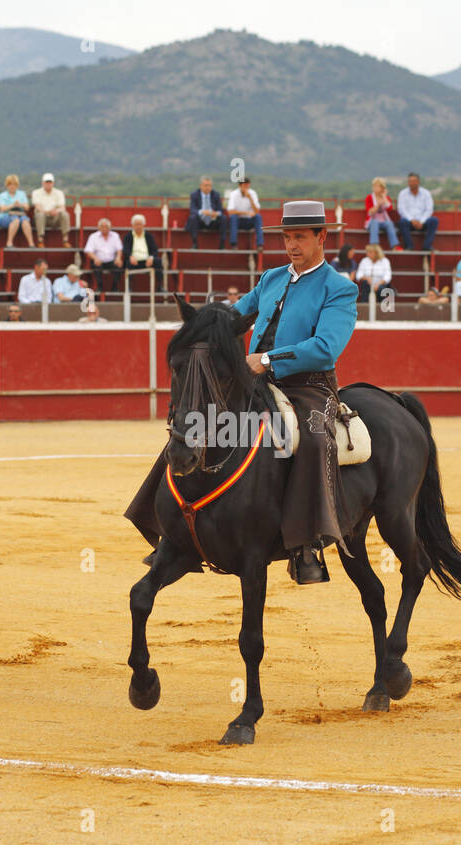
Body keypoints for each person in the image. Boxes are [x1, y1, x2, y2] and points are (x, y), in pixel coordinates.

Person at [125, 200, 354, 585]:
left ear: (322, 237)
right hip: (257, 379)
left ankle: (306, 544)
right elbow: (232, 317)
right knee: (194, 421)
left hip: (309, 386)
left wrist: (266, 360)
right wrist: (202, 322)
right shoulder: (271, 278)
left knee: (311, 439)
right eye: (286, 236)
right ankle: (165, 525)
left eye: (300, 236)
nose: (292, 244)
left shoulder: (340, 288)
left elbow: (325, 346)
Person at [396, 172, 438, 251]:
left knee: (434, 221)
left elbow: (429, 209)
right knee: (402, 222)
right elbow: (401, 209)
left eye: (413, 181)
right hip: (409, 222)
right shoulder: (402, 193)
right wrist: (412, 220)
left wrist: (421, 221)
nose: (411, 183)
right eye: (410, 181)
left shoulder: (426, 193)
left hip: (423, 222)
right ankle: (409, 246)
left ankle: (427, 246)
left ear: (418, 182)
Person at [83, 217, 123, 294]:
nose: (104, 228)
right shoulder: (93, 236)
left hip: (112, 260)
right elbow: (88, 250)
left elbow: (119, 249)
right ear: (99, 227)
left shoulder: (115, 235)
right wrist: (95, 258)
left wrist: (118, 258)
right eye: (102, 226)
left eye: (106, 226)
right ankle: (99, 287)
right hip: (98, 260)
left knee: (119, 265)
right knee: (96, 266)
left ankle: (114, 287)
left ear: (110, 227)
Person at [186, 176, 228, 248]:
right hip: (200, 221)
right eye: (205, 185)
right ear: (201, 186)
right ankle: (194, 243)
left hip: (213, 220)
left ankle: (222, 244)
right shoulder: (194, 195)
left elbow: (220, 210)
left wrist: (215, 213)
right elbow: (192, 210)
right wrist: (203, 212)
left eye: (209, 185)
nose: (207, 187)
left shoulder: (216, 195)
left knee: (223, 218)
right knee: (193, 218)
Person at [124, 214, 163, 291]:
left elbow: (154, 249)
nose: (138, 226)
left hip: (147, 261)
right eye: (136, 224)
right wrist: (130, 256)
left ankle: (159, 287)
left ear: (143, 225)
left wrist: (151, 258)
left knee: (158, 262)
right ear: (132, 225)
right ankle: (129, 287)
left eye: (140, 224)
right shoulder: (128, 236)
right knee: (127, 263)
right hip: (134, 261)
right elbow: (125, 250)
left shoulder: (149, 236)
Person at [31, 173, 71, 247]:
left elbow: (62, 207)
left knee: (65, 214)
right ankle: (40, 240)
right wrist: (49, 211)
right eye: (47, 182)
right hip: (41, 218)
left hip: (55, 218)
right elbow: (38, 207)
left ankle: (65, 240)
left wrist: (56, 211)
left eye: (50, 182)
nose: (48, 184)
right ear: (42, 183)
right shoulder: (36, 192)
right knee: (40, 214)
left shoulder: (59, 193)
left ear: (53, 183)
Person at [0, 174, 35, 247]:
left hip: (20, 215)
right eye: (10, 184)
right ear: (7, 185)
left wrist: (20, 205)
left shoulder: (22, 194)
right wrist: (13, 205)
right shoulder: (2, 195)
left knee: (25, 220)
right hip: (5, 216)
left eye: (14, 184)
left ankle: (31, 244)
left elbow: (27, 207)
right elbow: (2, 209)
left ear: (17, 185)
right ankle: (9, 243)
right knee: (15, 220)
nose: (12, 186)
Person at [364, 177, 400, 249]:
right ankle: (374, 246)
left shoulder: (386, 198)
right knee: (375, 222)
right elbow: (370, 212)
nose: (375, 188)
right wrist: (378, 205)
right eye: (374, 186)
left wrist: (384, 196)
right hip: (372, 221)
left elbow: (389, 208)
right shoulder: (369, 198)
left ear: (382, 188)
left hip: (383, 221)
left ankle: (395, 246)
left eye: (378, 187)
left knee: (389, 223)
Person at [226, 177, 263, 248]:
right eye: (244, 186)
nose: (246, 189)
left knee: (258, 217)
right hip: (238, 221)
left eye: (248, 186)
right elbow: (230, 211)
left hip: (249, 221)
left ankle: (259, 244)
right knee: (233, 217)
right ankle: (233, 244)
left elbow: (257, 211)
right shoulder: (234, 194)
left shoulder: (252, 193)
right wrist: (246, 213)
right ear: (240, 186)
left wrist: (250, 198)